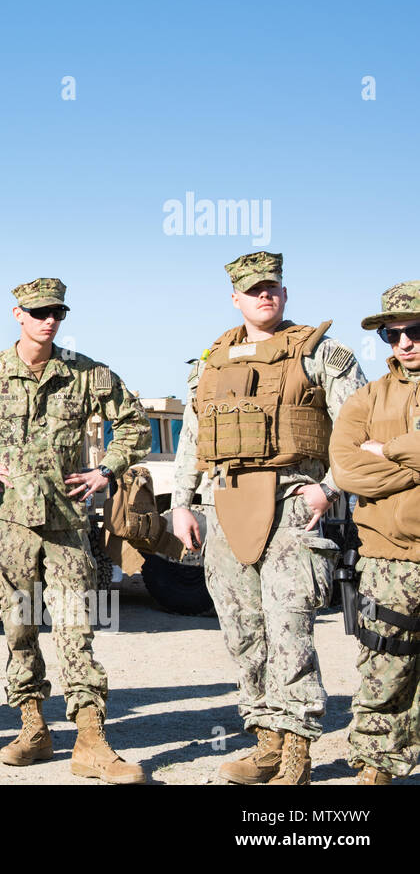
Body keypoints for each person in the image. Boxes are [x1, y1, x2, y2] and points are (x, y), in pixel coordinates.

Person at [0, 277, 151, 784]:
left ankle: (91, 740)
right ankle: (33, 727)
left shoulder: (87, 373)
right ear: (17, 314)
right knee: (18, 626)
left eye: (57, 312)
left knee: (77, 626)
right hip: (11, 524)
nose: (48, 320)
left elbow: (134, 425)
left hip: (66, 523)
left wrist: (106, 470)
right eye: (38, 312)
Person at [169, 252, 365, 785]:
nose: (265, 296)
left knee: (290, 630)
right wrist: (181, 503)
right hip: (224, 506)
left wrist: (328, 489)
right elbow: (192, 437)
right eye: (253, 289)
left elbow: (357, 430)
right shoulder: (212, 361)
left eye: (272, 287)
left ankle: (297, 752)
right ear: (235, 297)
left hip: (291, 511)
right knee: (243, 632)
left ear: (284, 292)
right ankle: (266, 742)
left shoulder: (323, 354)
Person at [329, 280, 420, 784]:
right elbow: (347, 473)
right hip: (389, 557)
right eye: (392, 334)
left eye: (415, 330)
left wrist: (388, 450)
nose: (404, 343)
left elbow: (370, 466)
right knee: (385, 664)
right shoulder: (366, 398)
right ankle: (376, 767)